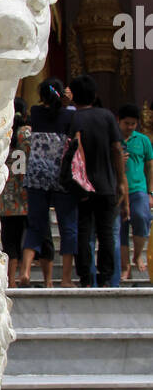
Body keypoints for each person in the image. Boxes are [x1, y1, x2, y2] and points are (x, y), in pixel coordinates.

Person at [69, 74, 129, 288]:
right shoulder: (106, 117)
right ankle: (105, 277)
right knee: (106, 233)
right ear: (95, 95)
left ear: (74, 97)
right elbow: (116, 148)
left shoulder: (74, 119)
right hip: (106, 184)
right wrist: (121, 179)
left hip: (82, 185)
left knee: (84, 231)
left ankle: (85, 277)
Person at [19, 78, 78, 288]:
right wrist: (68, 103)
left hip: (36, 176)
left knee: (35, 225)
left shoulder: (35, 112)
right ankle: (66, 278)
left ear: (41, 95)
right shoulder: (70, 114)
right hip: (61, 177)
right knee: (67, 227)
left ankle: (25, 271)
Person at [114, 103, 153, 279]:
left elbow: (150, 167)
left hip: (139, 189)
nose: (130, 127)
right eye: (126, 123)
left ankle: (137, 256)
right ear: (119, 121)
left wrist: (150, 192)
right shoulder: (113, 139)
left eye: (133, 124)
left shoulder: (143, 140)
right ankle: (125, 266)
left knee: (142, 217)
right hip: (117, 189)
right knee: (120, 227)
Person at [0, 97, 30, 287]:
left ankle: (10, 279)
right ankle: (19, 274)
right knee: (22, 239)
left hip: (5, 197)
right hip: (24, 196)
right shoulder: (26, 135)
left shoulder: (3, 133)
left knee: (8, 241)